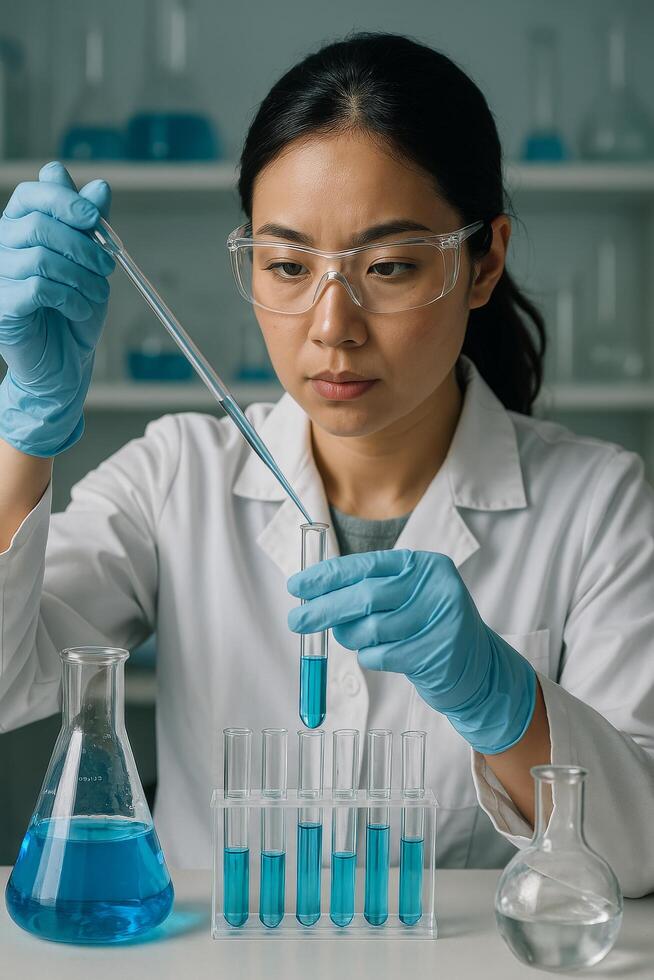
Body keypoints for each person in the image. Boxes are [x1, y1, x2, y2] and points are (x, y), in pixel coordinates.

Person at [0, 32, 653, 895]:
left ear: (484, 260)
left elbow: (639, 851)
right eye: (287, 265)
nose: (331, 324)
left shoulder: (599, 501)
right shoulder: (175, 476)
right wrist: (26, 431)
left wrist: (506, 702)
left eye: (387, 266)